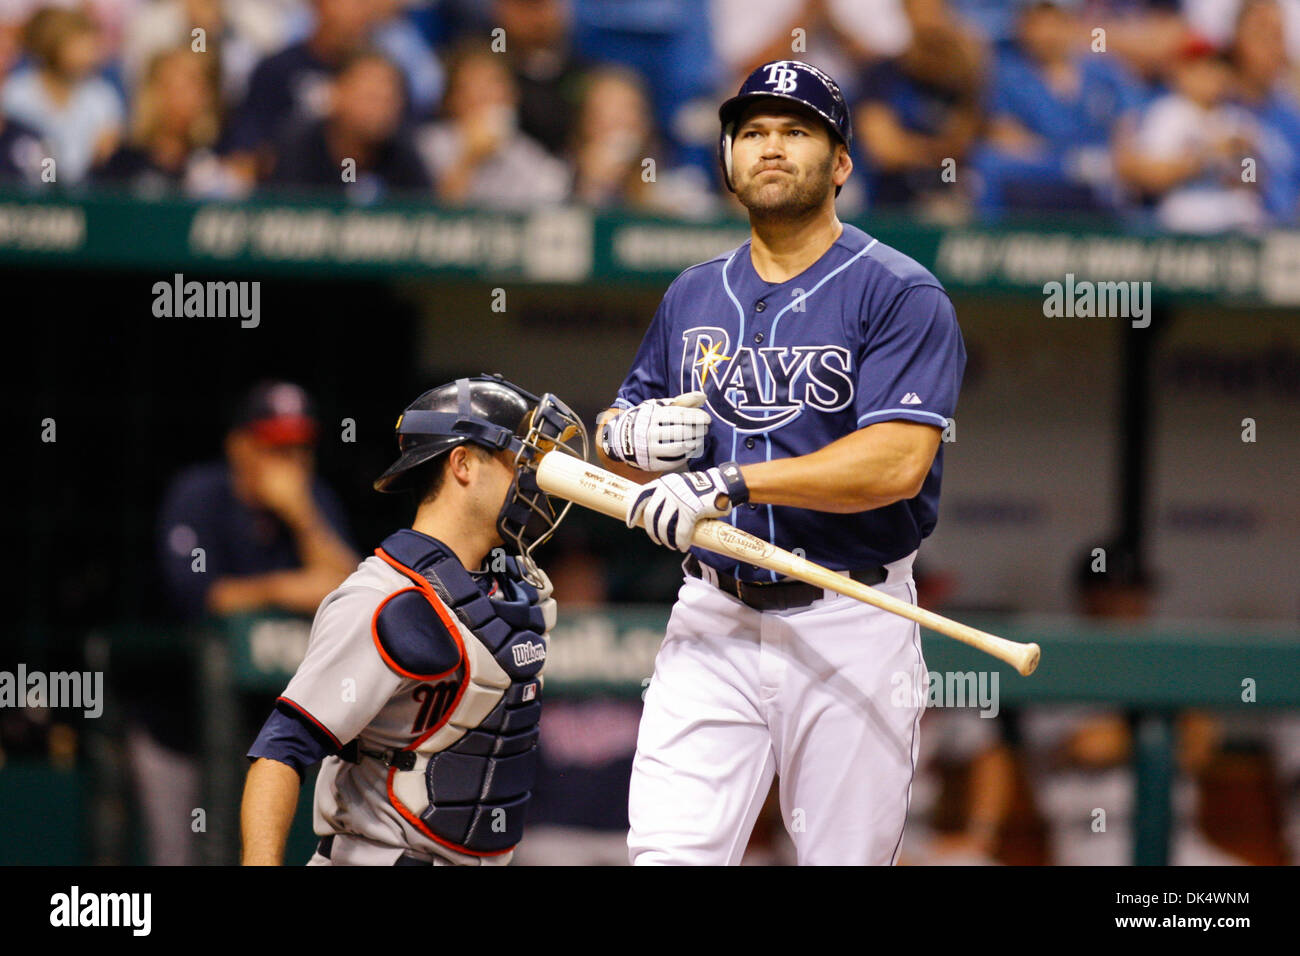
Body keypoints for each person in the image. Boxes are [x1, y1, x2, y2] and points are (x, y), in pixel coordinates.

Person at [596, 60, 967, 865]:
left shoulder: (900, 291)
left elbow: (896, 461)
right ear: (728, 159)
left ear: (839, 164)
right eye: (753, 133)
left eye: (796, 132)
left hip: (847, 613)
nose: (770, 147)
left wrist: (729, 482)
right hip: (712, 613)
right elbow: (620, 423)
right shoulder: (692, 292)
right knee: (666, 856)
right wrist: (625, 438)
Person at [240, 376, 587, 866]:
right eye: (520, 460)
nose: (535, 478)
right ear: (463, 463)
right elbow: (280, 752)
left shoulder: (513, 590)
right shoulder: (384, 597)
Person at [267, 49, 431, 203]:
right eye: (370, 97)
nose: (380, 109)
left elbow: (425, 213)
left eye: (388, 99)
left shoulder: (403, 155)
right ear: (337, 94)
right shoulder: (299, 147)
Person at [0, 5, 123, 186]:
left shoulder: (102, 97)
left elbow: (108, 157)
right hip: (26, 192)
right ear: (54, 44)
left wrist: (108, 150)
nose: (89, 53)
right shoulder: (16, 93)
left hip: (86, 190)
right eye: (79, 44)